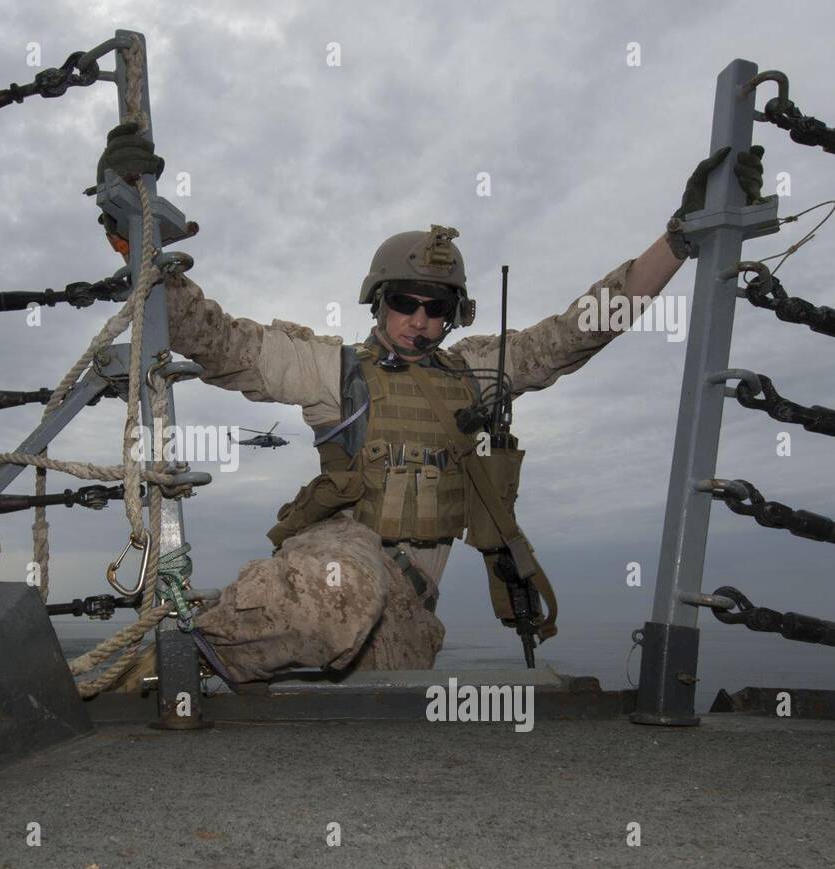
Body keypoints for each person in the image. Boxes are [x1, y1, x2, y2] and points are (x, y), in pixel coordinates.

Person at [93, 122, 765, 686]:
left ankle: (225, 658)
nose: (420, 319)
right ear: (377, 302)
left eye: (436, 307)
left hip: (412, 600)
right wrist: (136, 232)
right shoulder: (332, 369)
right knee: (338, 592)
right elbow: (221, 343)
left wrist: (679, 239)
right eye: (404, 302)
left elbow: (580, 330)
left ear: (454, 314)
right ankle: (179, 658)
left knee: (387, 721)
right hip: (338, 556)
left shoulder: (477, 373)